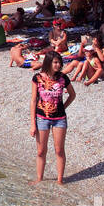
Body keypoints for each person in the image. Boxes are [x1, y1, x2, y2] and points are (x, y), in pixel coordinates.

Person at [31, 51, 75, 185]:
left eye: (59, 62)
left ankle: (60, 180)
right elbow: (33, 100)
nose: (58, 65)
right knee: (40, 151)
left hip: (59, 119)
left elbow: (72, 95)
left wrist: (62, 107)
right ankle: (39, 179)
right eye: (55, 62)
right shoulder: (37, 78)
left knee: (59, 150)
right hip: (41, 118)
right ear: (48, 63)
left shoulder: (63, 78)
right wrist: (33, 124)